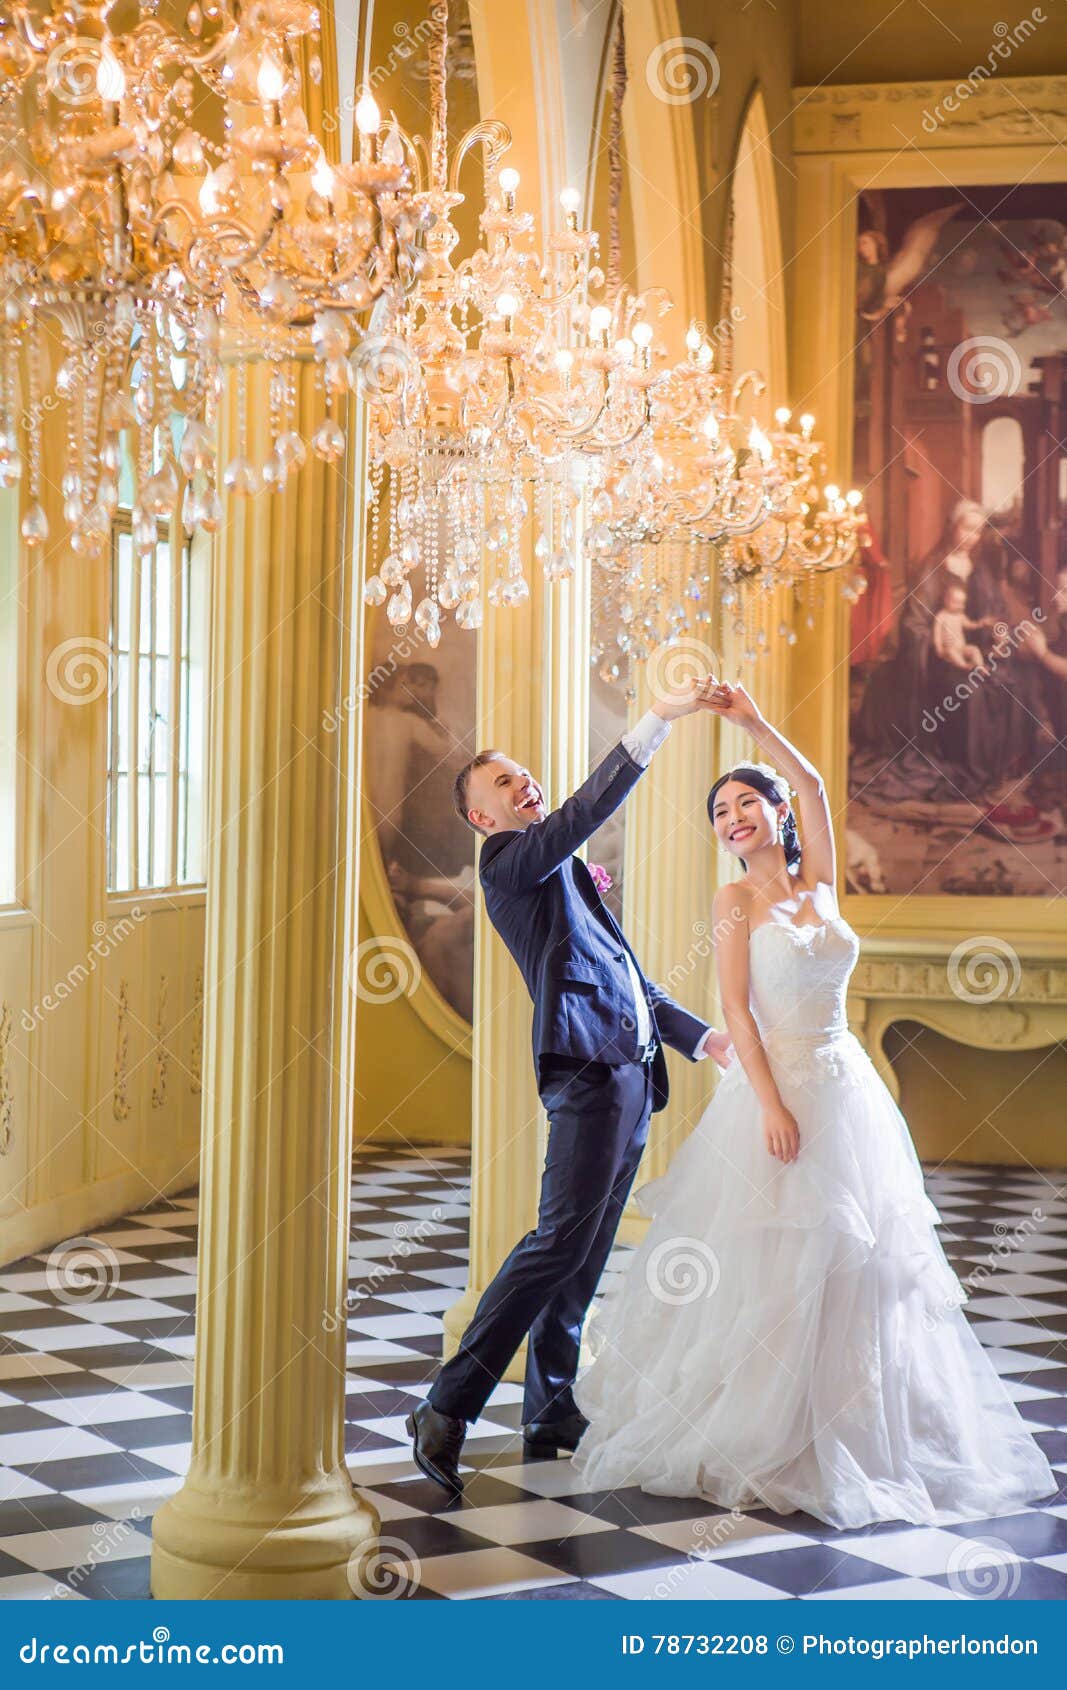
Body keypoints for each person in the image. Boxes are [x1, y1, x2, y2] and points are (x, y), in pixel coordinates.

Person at [573, 679, 1055, 1529]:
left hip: (847, 1087)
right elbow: (732, 1012)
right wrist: (766, 1104)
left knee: (860, 1261)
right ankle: (761, 1427)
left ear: (776, 812)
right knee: (773, 1263)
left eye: (746, 801)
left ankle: (852, 1427)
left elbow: (820, 789)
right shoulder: (732, 902)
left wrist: (754, 723)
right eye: (719, 812)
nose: (733, 818)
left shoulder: (820, 878)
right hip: (778, 1091)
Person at [406, 679, 733, 1498]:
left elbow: (631, 981)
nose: (524, 785)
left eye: (523, 775)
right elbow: (583, 814)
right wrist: (655, 720)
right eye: (503, 785)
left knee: (583, 1254)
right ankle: (446, 1407)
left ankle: (552, 1407)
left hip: (631, 1074)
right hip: (587, 1075)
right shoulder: (510, 863)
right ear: (483, 818)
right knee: (554, 1242)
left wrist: (704, 1040)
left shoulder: (565, 876)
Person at [932, 577, 988, 674]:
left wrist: (980, 623)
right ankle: (964, 666)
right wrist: (938, 647)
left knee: (974, 650)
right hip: (948, 649)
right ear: (946, 600)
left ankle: (980, 666)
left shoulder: (960, 616)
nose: (960, 606)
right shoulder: (941, 616)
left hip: (962, 647)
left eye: (962, 603)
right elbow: (936, 633)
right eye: (956, 602)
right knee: (952, 652)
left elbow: (970, 625)